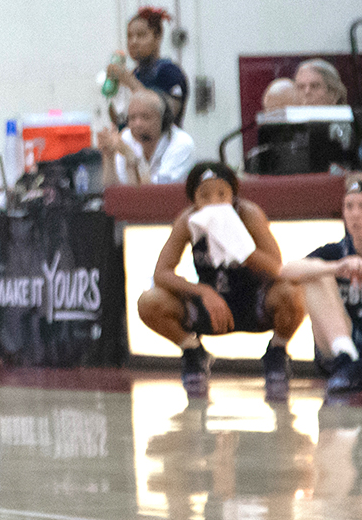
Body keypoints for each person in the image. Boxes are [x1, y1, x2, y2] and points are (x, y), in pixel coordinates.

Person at [136, 162, 306, 399]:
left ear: (234, 197)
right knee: (148, 301)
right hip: (210, 308)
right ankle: (193, 352)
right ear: (193, 201)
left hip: (253, 303)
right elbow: (161, 273)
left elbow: (278, 269)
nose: (214, 202)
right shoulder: (188, 220)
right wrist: (202, 292)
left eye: (221, 194)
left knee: (294, 293)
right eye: (205, 196)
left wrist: (244, 251)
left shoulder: (249, 214)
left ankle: (277, 352)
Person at [277, 180, 362, 396]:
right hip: (338, 350)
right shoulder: (334, 251)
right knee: (314, 272)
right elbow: (284, 271)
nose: (354, 214)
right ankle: (346, 355)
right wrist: (335, 268)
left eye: (361, 206)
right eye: (349, 206)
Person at [105, 6, 190, 126]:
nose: (133, 42)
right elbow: (120, 121)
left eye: (141, 35)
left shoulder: (170, 72)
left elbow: (167, 114)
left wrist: (129, 81)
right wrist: (114, 92)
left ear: (157, 37)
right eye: (129, 36)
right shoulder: (135, 74)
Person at [97, 89, 197, 186]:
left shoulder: (181, 144)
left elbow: (154, 196)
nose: (137, 124)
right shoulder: (126, 137)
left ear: (163, 119)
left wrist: (133, 163)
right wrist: (109, 156)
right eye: (132, 118)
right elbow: (113, 193)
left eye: (145, 117)